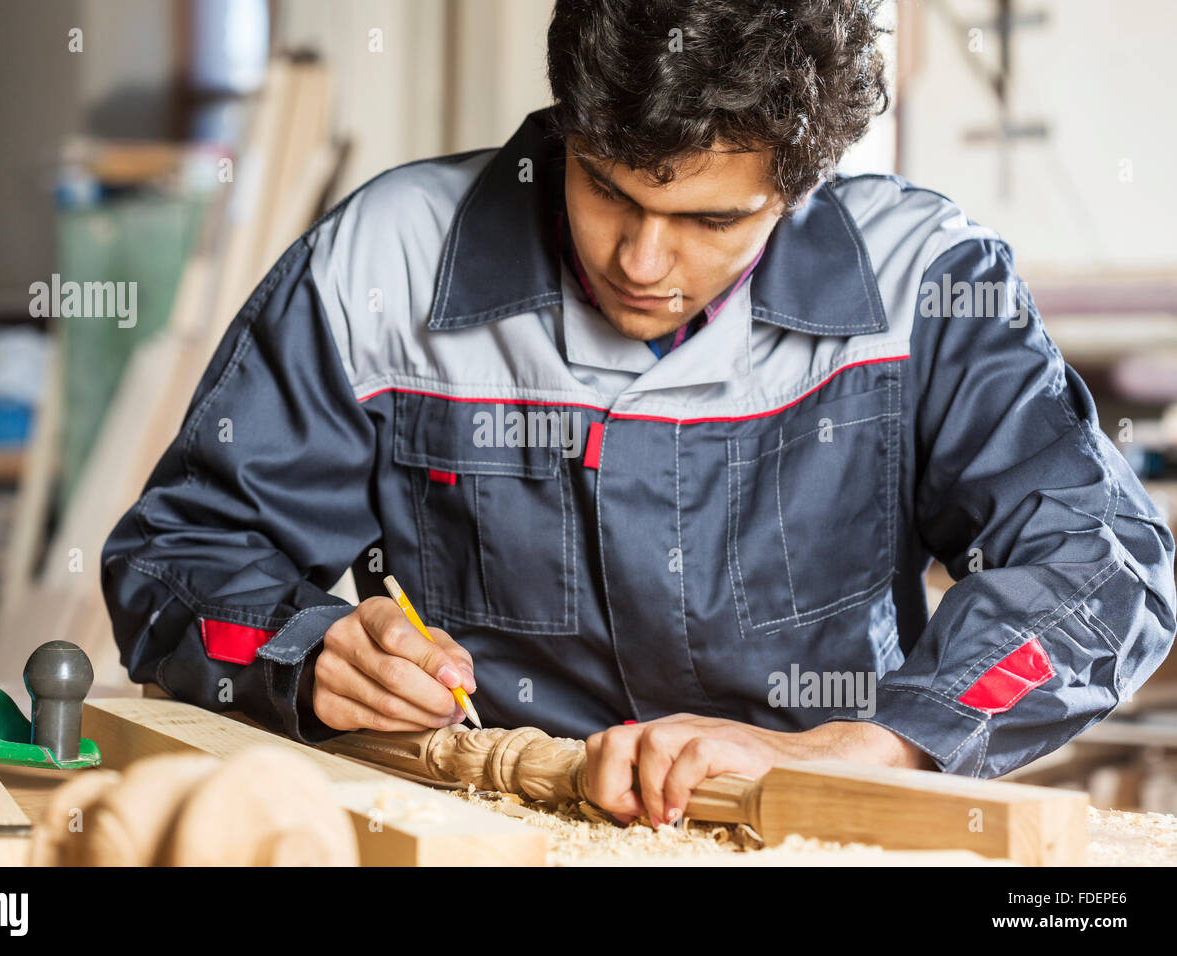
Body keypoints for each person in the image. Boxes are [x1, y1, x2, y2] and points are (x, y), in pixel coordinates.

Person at [103, 0, 1175, 827]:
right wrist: (305, 646)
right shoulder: (381, 262)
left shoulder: (923, 283)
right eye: (609, 188)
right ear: (567, 125)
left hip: (821, 833)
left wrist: (870, 746)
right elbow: (175, 557)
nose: (642, 261)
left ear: (801, 185)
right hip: (485, 835)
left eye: (710, 218)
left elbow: (1103, 567)